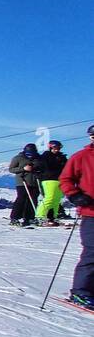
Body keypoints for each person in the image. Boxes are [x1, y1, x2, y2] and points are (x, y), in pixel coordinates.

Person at [59, 126, 94, 309]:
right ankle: (81, 292)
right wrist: (74, 195)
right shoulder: (81, 157)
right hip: (91, 213)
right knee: (92, 252)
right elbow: (65, 179)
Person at [35, 141, 69, 226]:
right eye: (55, 148)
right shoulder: (45, 156)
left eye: (58, 148)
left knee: (57, 199)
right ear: (50, 148)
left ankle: (53, 217)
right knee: (50, 198)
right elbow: (42, 167)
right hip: (49, 179)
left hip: (60, 179)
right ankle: (40, 216)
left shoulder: (61, 157)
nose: (57, 150)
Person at [8, 143, 43, 226]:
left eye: (32, 154)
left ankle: (29, 217)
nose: (30, 156)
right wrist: (23, 168)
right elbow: (11, 169)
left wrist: (38, 170)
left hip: (34, 181)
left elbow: (43, 167)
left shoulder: (39, 158)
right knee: (21, 199)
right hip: (22, 181)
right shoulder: (18, 158)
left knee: (33, 199)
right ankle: (15, 217)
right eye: (28, 154)